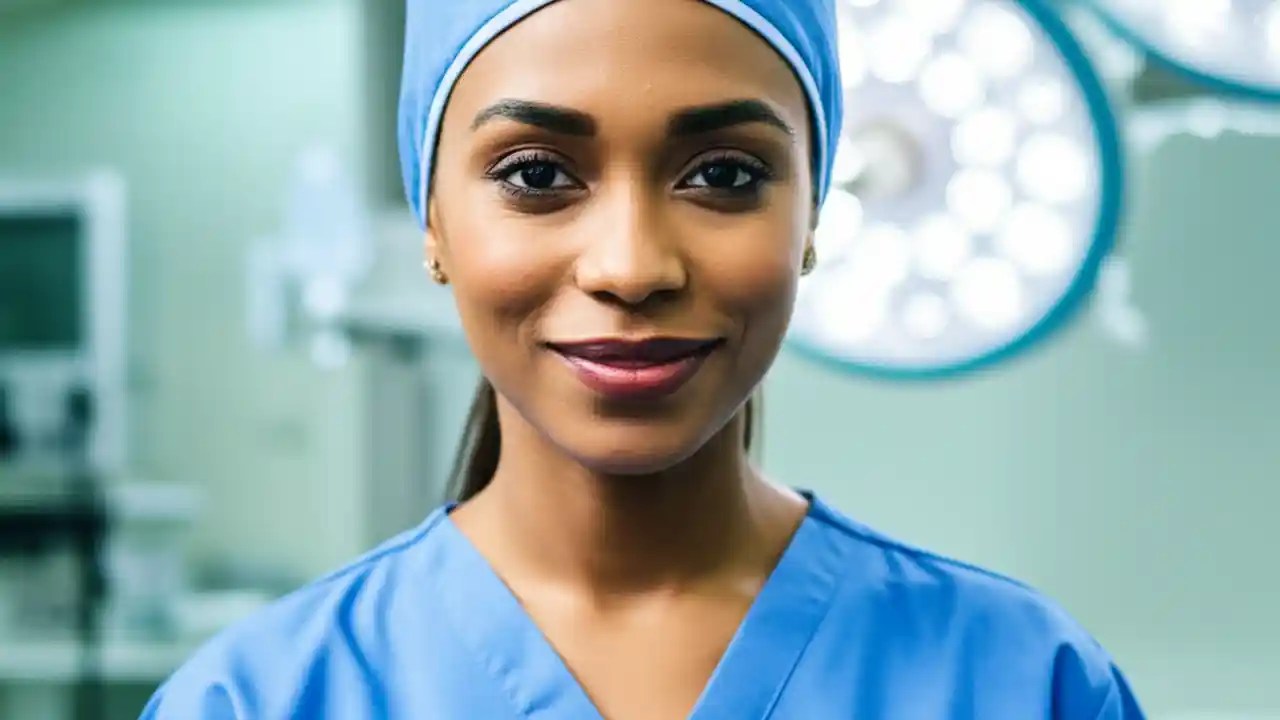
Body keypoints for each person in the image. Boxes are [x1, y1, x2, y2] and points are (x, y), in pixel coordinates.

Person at [141, 0, 1146, 717]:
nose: (630, 266)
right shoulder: (263, 699)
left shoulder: (1018, 683)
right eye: (535, 174)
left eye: (724, 173)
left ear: (811, 214)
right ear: (433, 220)